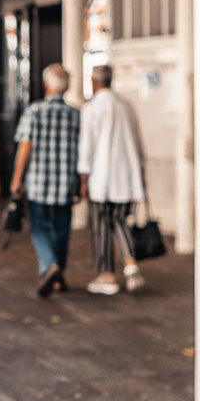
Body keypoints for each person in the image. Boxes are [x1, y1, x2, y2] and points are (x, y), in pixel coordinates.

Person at [9, 63, 80, 297]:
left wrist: (17, 179)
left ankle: (50, 266)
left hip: (39, 184)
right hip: (65, 184)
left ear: (46, 84)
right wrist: (81, 184)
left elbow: (25, 148)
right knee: (62, 230)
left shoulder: (34, 111)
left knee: (39, 229)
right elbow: (82, 152)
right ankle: (58, 277)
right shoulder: (75, 115)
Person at [78, 62, 147, 294]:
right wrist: (142, 175)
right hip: (127, 177)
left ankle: (107, 275)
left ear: (94, 81)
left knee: (101, 226)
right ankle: (129, 262)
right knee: (119, 220)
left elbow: (86, 147)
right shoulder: (127, 106)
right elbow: (138, 145)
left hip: (101, 179)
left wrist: (83, 179)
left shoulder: (92, 109)